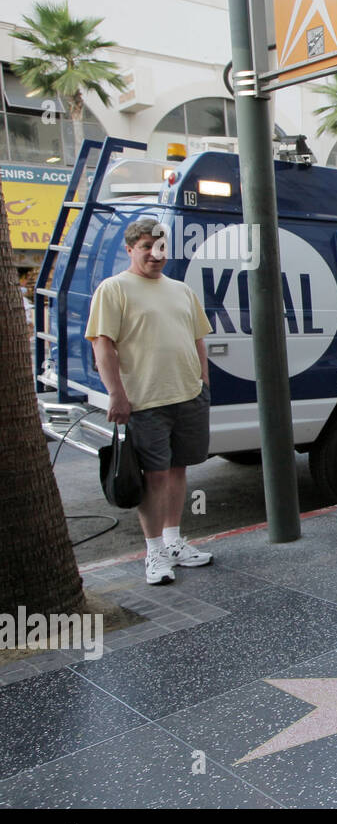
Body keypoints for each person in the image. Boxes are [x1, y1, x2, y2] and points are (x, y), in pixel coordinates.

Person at [86, 217, 215, 586]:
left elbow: (197, 340)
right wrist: (116, 394)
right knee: (154, 476)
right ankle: (154, 551)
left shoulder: (181, 291)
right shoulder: (114, 289)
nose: (155, 254)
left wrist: (203, 383)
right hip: (144, 401)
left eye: (160, 247)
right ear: (130, 250)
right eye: (146, 247)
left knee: (178, 470)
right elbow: (103, 345)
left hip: (188, 396)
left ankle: (174, 542)